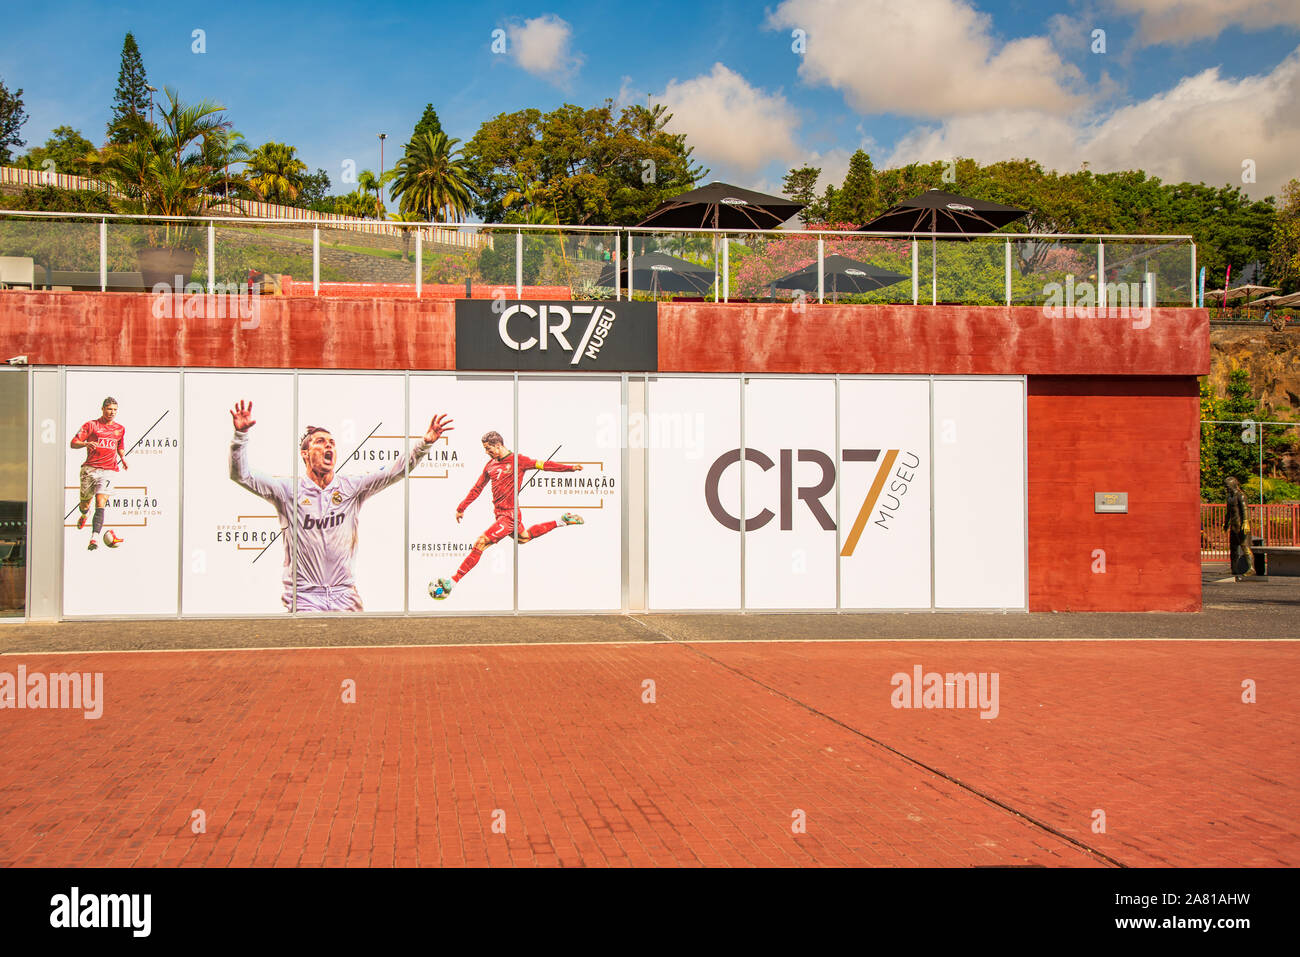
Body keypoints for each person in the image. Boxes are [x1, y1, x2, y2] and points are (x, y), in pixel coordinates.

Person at [229, 399, 453, 611]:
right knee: (311, 651)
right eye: (320, 442)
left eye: (332, 443)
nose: (329, 446)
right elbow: (242, 476)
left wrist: (425, 443)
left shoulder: (351, 487)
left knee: (356, 651)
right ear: (305, 454)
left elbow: (396, 471)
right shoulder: (287, 491)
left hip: (345, 594)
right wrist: (240, 436)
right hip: (305, 597)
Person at [432, 430, 584, 598]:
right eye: (485, 449)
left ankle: (451, 582)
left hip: (510, 516)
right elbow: (478, 487)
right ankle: (561, 521)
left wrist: (569, 468)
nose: (486, 452)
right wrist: (462, 507)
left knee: (481, 542)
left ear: (499, 445)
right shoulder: (490, 465)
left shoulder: (519, 461)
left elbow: (544, 465)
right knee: (524, 538)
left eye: (489, 449)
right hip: (500, 513)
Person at [70, 397, 128, 551]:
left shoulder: (120, 429)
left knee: (100, 502)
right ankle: (84, 514)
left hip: (108, 471)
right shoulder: (91, 425)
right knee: (85, 505)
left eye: (115, 410)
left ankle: (94, 538)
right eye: (109, 409)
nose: (112, 412)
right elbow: (73, 443)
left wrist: (123, 457)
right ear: (102, 409)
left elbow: (120, 445)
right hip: (90, 470)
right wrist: (85, 443)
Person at [1224, 476, 1254, 581]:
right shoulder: (1229, 497)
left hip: (1241, 525)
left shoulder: (1241, 496)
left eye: (1228, 486)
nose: (1226, 488)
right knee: (1233, 548)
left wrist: (1246, 522)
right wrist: (1226, 523)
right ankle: (1234, 568)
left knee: (1245, 547)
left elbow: (1245, 510)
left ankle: (1251, 568)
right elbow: (1228, 512)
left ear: (1233, 485)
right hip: (1233, 525)